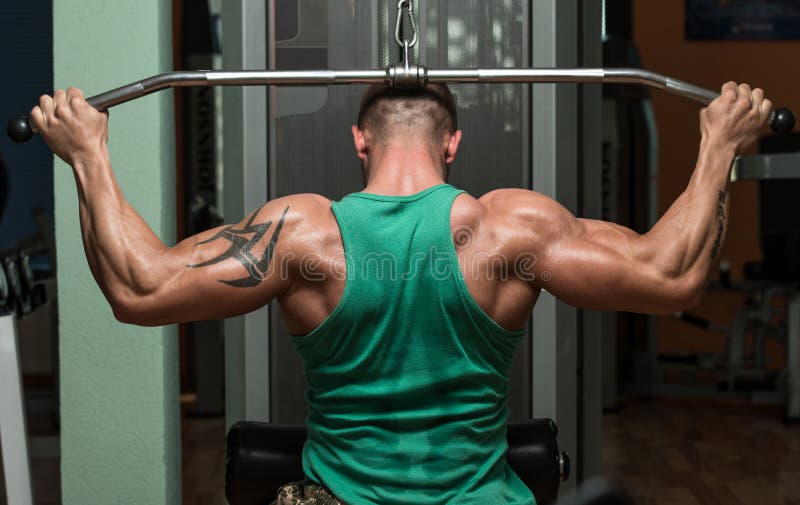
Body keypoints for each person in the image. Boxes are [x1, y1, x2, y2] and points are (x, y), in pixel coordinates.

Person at [30, 81, 770, 505]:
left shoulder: (302, 235)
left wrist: (86, 153)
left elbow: (139, 287)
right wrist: (720, 145)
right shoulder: (510, 231)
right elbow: (671, 275)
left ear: (360, 140)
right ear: (453, 143)